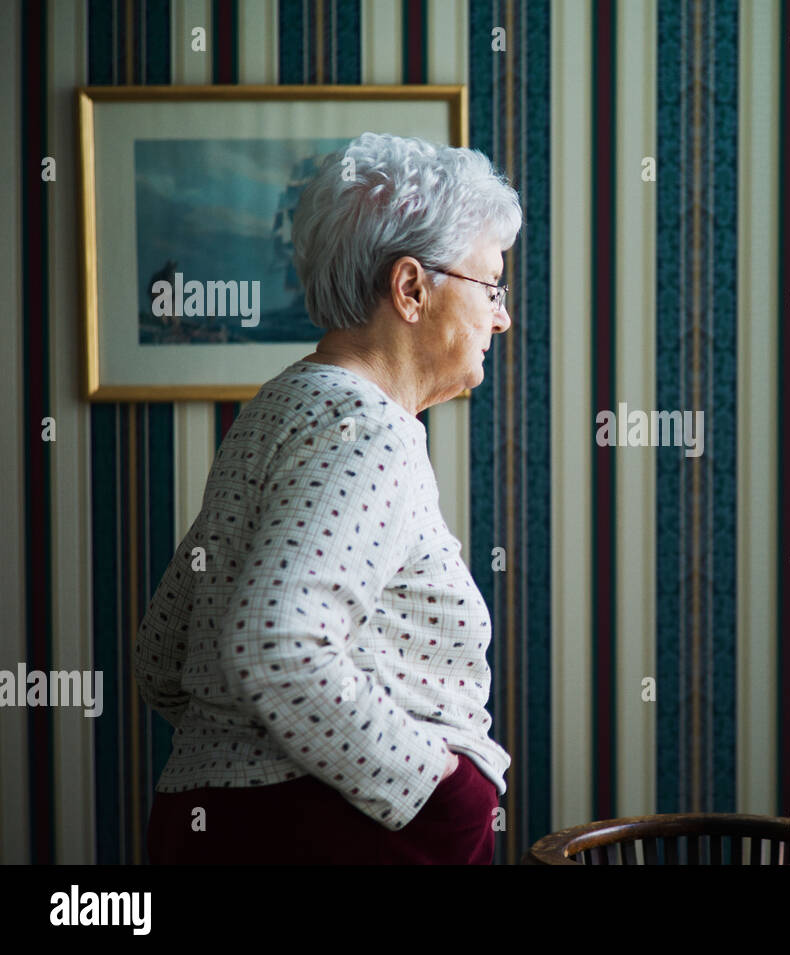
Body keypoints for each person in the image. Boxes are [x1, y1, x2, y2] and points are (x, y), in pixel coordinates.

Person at [137, 132, 520, 864]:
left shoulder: (276, 409)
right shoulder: (368, 433)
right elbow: (274, 642)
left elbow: (162, 653)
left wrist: (238, 756)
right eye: (491, 287)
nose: (500, 317)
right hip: (340, 831)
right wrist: (443, 793)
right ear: (411, 288)